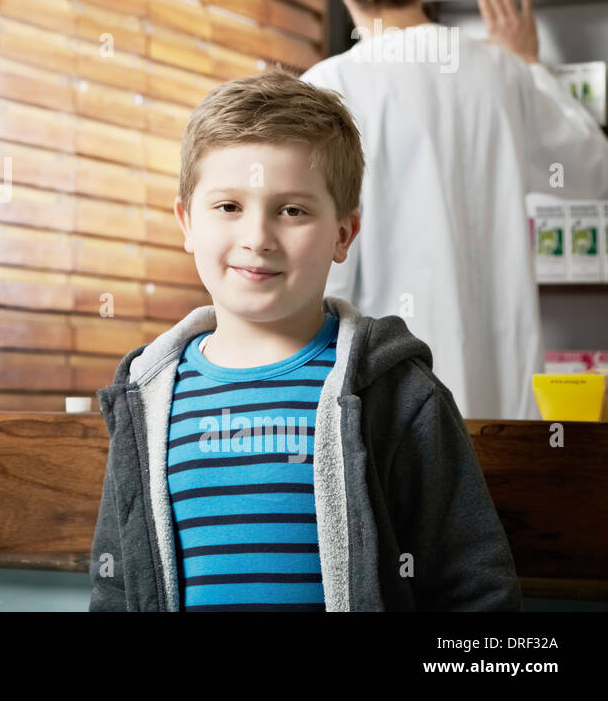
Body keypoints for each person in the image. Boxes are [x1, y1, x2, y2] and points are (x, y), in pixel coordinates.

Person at [88, 73, 521, 611]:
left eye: (292, 210)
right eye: (228, 207)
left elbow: (474, 588)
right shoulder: (144, 399)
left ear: (344, 234)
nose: (257, 238)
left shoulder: (400, 394)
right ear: (186, 221)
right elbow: (117, 589)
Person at [301, 0, 608, 421]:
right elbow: (591, 169)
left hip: (373, 402)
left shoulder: (322, 89)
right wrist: (530, 65)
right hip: (496, 410)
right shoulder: (499, 73)